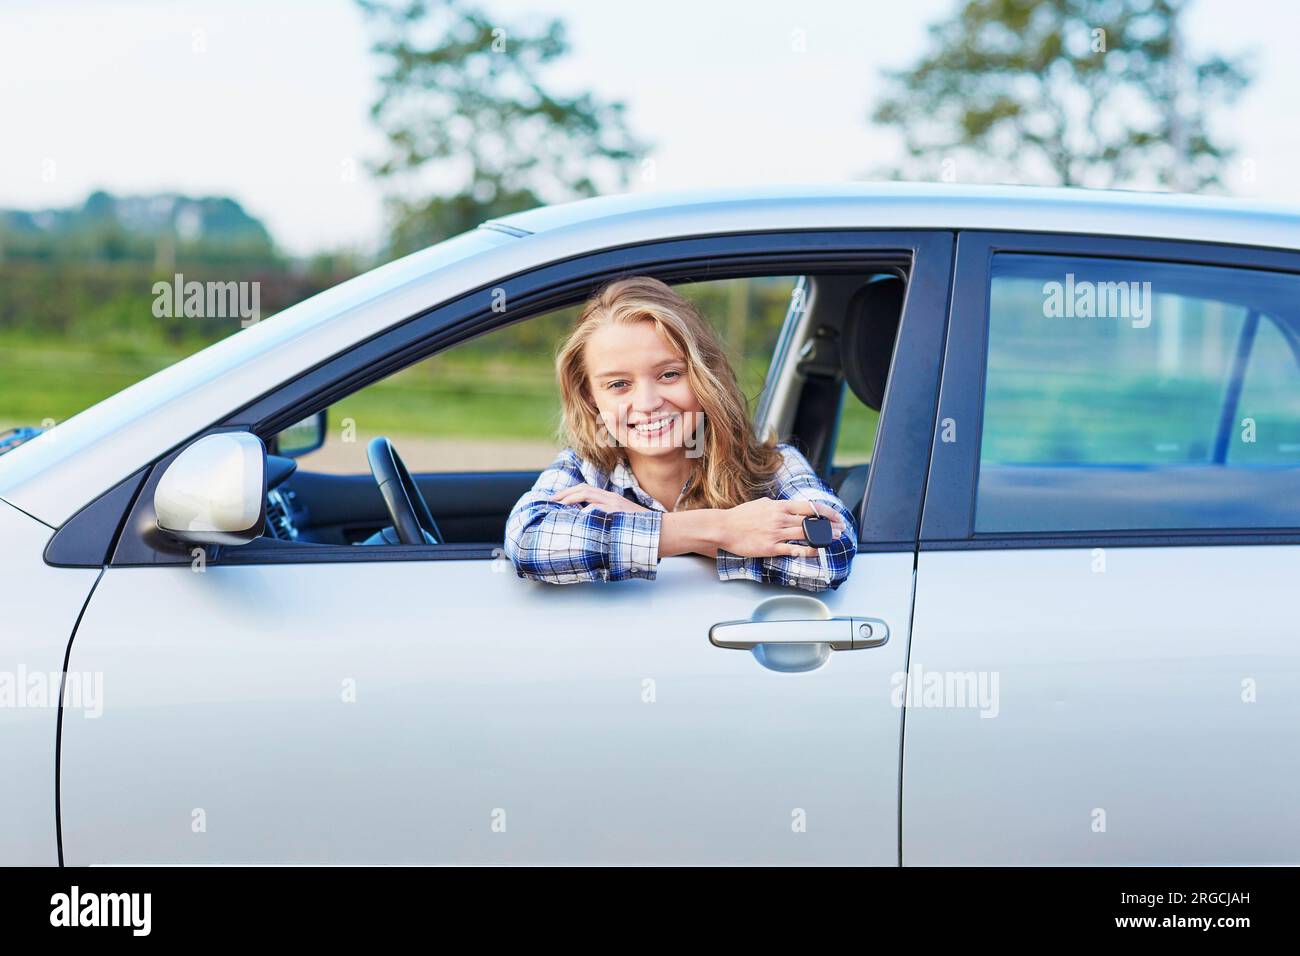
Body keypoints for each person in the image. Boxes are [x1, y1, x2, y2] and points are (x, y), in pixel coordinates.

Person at [503, 275, 857, 592]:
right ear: (591, 398)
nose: (647, 402)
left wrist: (647, 529)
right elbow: (527, 539)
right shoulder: (586, 470)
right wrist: (720, 530)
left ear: (704, 376)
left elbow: (831, 554)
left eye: (669, 375)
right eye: (619, 384)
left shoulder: (774, 465)